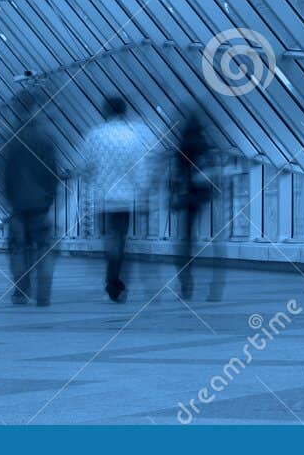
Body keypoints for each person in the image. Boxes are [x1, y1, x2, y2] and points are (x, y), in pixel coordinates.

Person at [81, 96, 156, 303]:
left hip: (103, 197)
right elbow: (139, 169)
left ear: (105, 111)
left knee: (109, 240)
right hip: (125, 198)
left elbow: (87, 167)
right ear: (124, 111)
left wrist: (93, 185)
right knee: (119, 239)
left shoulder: (94, 135)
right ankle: (114, 280)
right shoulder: (132, 135)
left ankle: (112, 279)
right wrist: (143, 194)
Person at [1, 89, 60, 306]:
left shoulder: (9, 140)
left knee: (18, 248)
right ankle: (43, 295)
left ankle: (21, 292)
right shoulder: (45, 139)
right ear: (36, 108)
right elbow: (52, 174)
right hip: (40, 205)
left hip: (17, 205)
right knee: (44, 248)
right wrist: (49, 198)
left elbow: (3, 175)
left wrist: (9, 199)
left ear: (16, 110)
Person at [169, 105, 225, 303]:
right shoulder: (206, 146)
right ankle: (215, 289)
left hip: (187, 198)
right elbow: (214, 172)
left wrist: (174, 197)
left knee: (185, 241)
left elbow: (176, 176)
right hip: (205, 195)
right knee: (217, 242)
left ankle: (185, 283)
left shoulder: (182, 147)